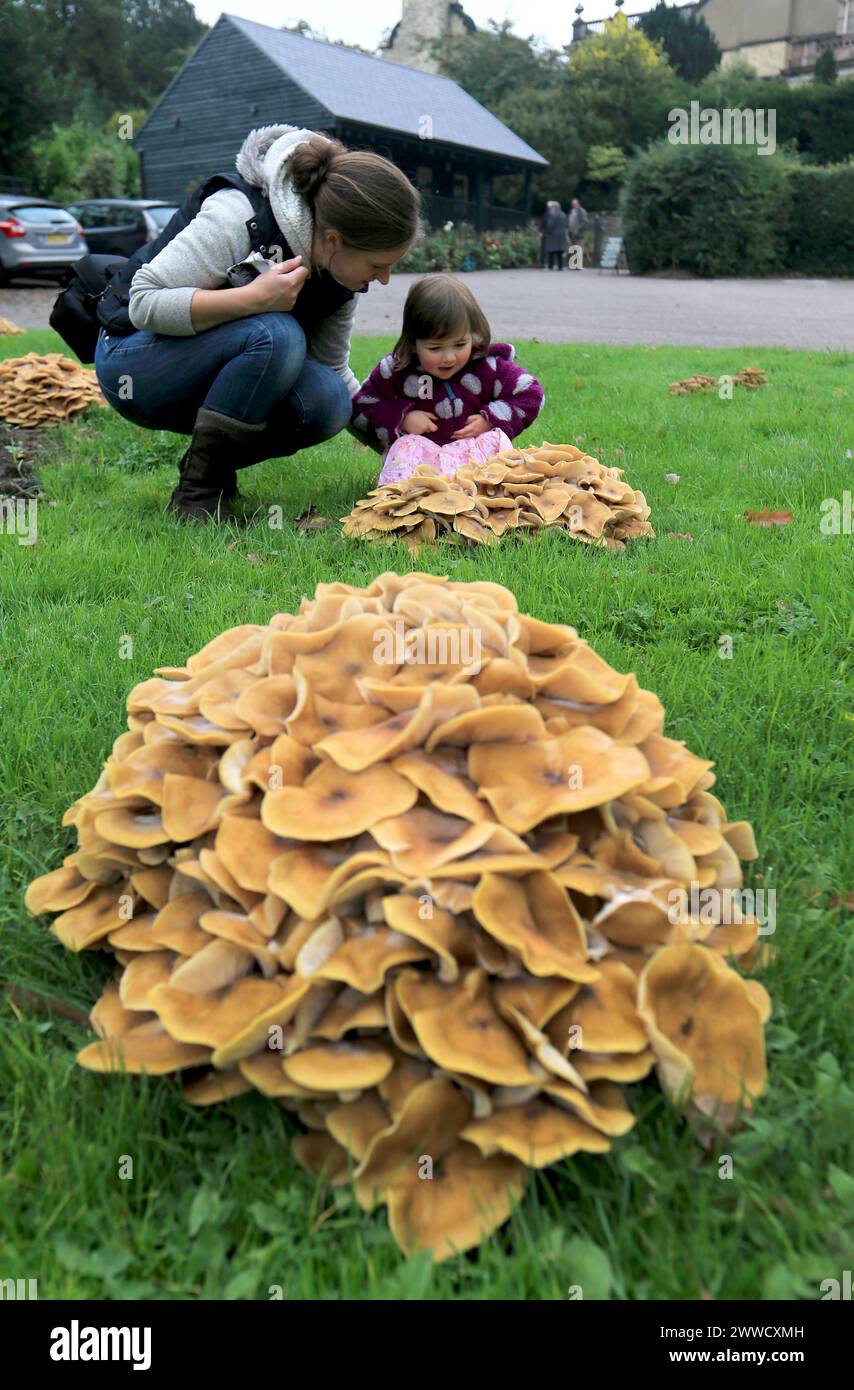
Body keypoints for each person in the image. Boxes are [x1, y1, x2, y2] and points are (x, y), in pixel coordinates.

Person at [94, 125, 419, 521]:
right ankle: (197, 497)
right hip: (132, 359)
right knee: (276, 335)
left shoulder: (339, 276)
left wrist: (400, 445)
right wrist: (253, 299)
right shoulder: (239, 217)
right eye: (377, 265)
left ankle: (205, 464)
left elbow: (334, 369)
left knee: (329, 399)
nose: (384, 279)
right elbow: (143, 302)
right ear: (333, 240)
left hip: (207, 367)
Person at [350, 274, 544, 485]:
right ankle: (404, 497)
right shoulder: (397, 370)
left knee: (496, 438)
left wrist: (491, 419)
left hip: (475, 459)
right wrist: (402, 418)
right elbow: (362, 407)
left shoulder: (488, 366)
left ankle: (489, 490)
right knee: (405, 445)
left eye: (460, 345)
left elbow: (532, 393)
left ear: (474, 335)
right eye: (435, 348)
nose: (449, 357)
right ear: (413, 343)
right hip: (422, 464)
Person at [541, 201, 569, 271]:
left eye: (552, 206)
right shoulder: (563, 214)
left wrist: (547, 232)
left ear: (555, 207)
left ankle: (550, 266)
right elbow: (566, 224)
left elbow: (550, 225)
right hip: (561, 235)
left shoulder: (553, 214)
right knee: (560, 252)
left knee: (551, 252)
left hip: (553, 235)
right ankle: (560, 266)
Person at [569, 197, 589, 270]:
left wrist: (578, 229)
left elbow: (584, 221)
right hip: (572, 233)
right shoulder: (572, 211)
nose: (573, 205)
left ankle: (578, 265)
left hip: (579, 233)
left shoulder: (582, 211)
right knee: (573, 249)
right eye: (572, 204)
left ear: (578, 204)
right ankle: (572, 265)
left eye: (574, 204)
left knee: (579, 248)